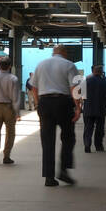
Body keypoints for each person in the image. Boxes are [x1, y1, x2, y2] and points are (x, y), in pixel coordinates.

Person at [30, 44, 82, 187]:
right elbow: (76, 88)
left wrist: (38, 104)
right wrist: (78, 108)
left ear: (53, 52)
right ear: (64, 52)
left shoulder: (40, 65)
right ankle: (64, 169)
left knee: (47, 140)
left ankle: (49, 177)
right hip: (63, 103)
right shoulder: (70, 65)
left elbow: (34, 87)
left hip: (45, 103)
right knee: (68, 137)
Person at [83, 64, 106, 153]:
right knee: (99, 128)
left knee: (88, 128)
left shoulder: (86, 80)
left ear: (93, 71)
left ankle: (87, 145)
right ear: (101, 72)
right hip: (100, 109)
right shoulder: (105, 82)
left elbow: (80, 93)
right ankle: (98, 146)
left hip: (88, 108)